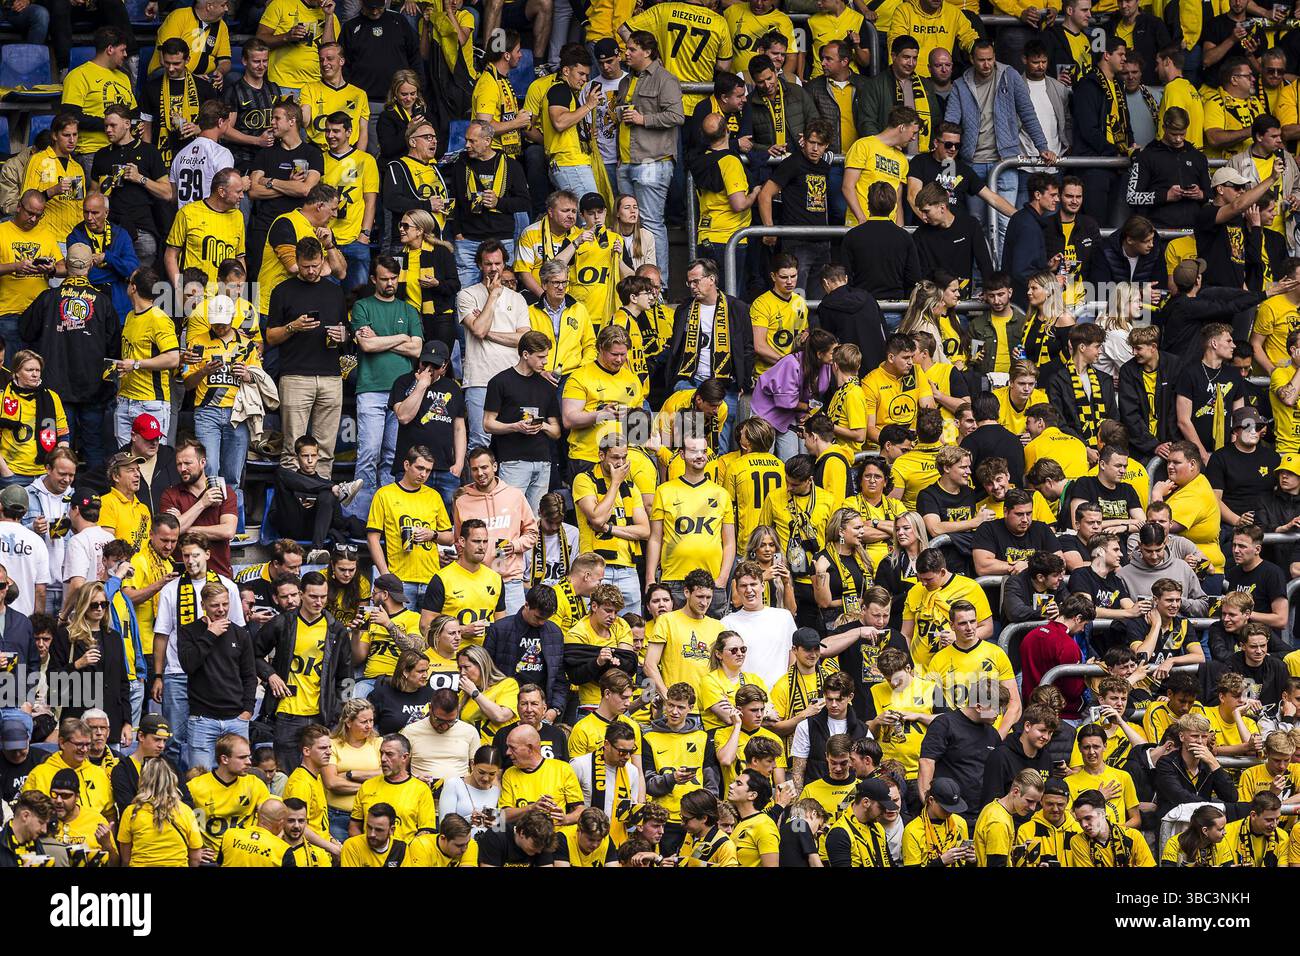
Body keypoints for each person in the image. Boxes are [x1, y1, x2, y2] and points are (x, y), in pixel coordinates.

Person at [19, 243, 118, 473]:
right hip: (93, 387)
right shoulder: (103, 302)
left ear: (66, 264)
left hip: (56, 387)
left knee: (60, 446)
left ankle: (58, 498)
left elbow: (25, 331)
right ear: (91, 265)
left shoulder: (48, 298)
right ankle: (93, 498)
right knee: (93, 444)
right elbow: (114, 348)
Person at [255, 572, 351, 772]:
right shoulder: (283, 623)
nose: (319, 602)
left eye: (323, 597)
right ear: (301, 595)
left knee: (320, 773)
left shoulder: (336, 629)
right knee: (287, 773)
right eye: (313, 596)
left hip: (321, 713)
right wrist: (270, 675)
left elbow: (346, 674)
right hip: (287, 711)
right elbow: (253, 653)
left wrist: (340, 708)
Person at [178, 583, 256, 770]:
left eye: (225, 604)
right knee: (200, 779)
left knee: (239, 776)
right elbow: (188, 665)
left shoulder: (240, 634)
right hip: (202, 719)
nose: (221, 610)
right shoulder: (188, 632)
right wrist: (210, 635)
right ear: (203, 604)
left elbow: (249, 676)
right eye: (215, 605)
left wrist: (247, 711)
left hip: (236, 718)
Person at [446, 120, 531, 290]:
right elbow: (452, 201)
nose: (467, 145)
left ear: (487, 141)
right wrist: (457, 233)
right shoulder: (460, 165)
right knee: (465, 296)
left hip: (501, 240)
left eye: (472, 141)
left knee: (501, 295)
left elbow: (524, 202)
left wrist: (498, 202)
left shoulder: (511, 165)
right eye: (466, 140)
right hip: (468, 241)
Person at [918, 679, 1009, 822]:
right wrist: (927, 804)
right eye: (996, 709)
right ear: (979, 706)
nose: (999, 714)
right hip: (948, 812)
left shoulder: (992, 734)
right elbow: (926, 762)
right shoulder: (945, 724)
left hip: (980, 814)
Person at [0, 192, 63, 368]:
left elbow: (64, 267)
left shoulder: (46, 234)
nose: (33, 219)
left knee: (37, 370)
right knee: (11, 369)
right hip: (8, 312)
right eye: (30, 213)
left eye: (38, 215)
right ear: (19, 206)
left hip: (40, 314)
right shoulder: (2, 231)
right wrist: (15, 266)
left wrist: (51, 269)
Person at [1127, 106, 1211, 229]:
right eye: (1173, 134)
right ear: (1163, 128)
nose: (1178, 139)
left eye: (1182, 134)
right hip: (1159, 232)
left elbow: (1213, 195)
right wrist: (1165, 196)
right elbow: (1131, 197)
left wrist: (1200, 194)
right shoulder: (1146, 155)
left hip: (1193, 233)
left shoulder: (1198, 157)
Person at [163, 168, 246, 286]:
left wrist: (239, 291)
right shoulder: (188, 213)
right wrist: (180, 290)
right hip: (195, 294)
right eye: (238, 192)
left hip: (225, 297)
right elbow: (170, 255)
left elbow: (240, 259)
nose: (242, 196)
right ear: (222, 192)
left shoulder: (238, 217)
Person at [0, 352, 70, 490]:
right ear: (17, 372)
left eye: (37, 370)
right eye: (29, 370)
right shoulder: (2, 398)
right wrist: (5, 472)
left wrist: (58, 467)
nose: (35, 374)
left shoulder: (52, 397)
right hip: (13, 473)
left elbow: (63, 435)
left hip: (45, 474)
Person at [117, 758, 202, 867]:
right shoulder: (186, 811)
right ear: (171, 779)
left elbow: (125, 859)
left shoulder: (131, 812)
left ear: (143, 780)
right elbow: (195, 857)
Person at [22, 114, 89, 242]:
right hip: (45, 236)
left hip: (72, 239)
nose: (72, 140)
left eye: (75, 135)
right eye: (66, 135)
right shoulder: (39, 160)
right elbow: (26, 201)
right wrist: (52, 191)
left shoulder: (76, 167)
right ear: (54, 136)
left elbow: (79, 206)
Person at [221, 41, 282, 175]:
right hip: (243, 160)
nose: (261, 66)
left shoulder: (274, 89)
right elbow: (225, 131)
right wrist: (257, 141)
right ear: (244, 61)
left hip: (270, 158)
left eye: (265, 61)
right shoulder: (234, 91)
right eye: (256, 61)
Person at [973, 769, 1043, 867]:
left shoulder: (994, 806)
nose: (1033, 808)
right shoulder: (999, 822)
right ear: (1015, 792)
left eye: (1036, 802)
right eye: (1029, 801)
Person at [825, 778, 894, 868]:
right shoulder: (839, 833)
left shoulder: (878, 827)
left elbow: (890, 862)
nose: (885, 811)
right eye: (881, 807)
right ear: (866, 802)